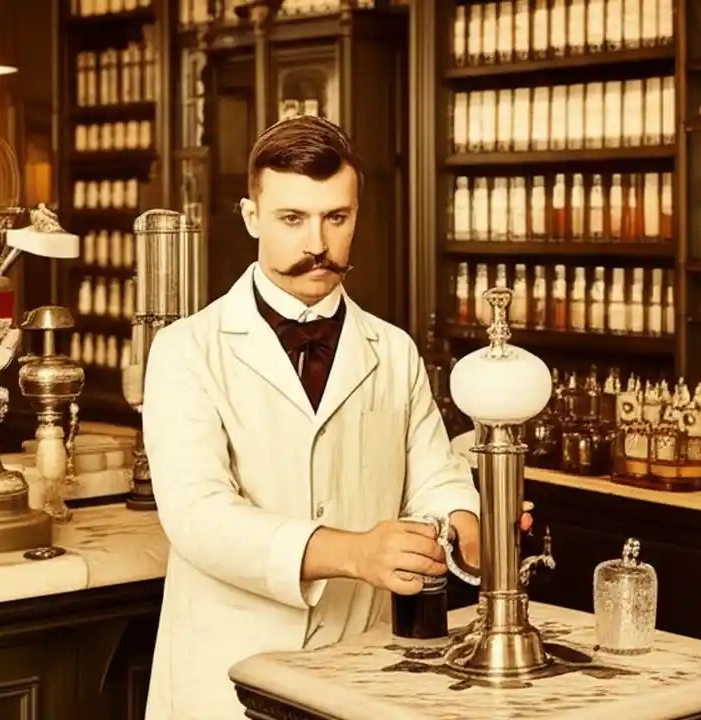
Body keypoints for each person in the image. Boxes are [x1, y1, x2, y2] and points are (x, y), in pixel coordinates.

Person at [138, 116, 524, 719]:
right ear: (251, 217)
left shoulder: (392, 349)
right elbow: (198, 517)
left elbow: (433, 478)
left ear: (356, 216)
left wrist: (471, 530)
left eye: (335, 217)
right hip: (227, 673)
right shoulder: (186, 349)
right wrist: (354, 554)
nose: (317, 243)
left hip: (361, 671)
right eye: (292, 218)